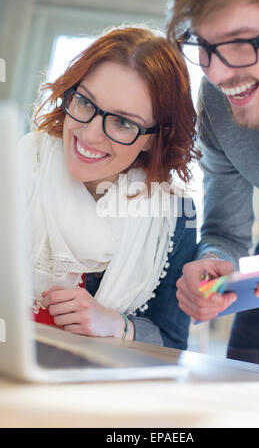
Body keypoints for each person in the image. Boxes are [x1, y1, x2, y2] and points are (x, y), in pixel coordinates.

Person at [19, 25, 199, 350]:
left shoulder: (174, 215)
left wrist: (118, 326)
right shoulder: (18, 166)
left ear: (154, 138)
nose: (89, 135)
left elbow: (172, 342)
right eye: (86, 103)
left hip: (94, 388)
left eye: (123, 122)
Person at [167, 0, 259, 393]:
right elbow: (225, 230)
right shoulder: (219, 104)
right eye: (201, 44)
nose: (217, 72)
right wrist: (214, 262)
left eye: (241, 42)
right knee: (251, 395)